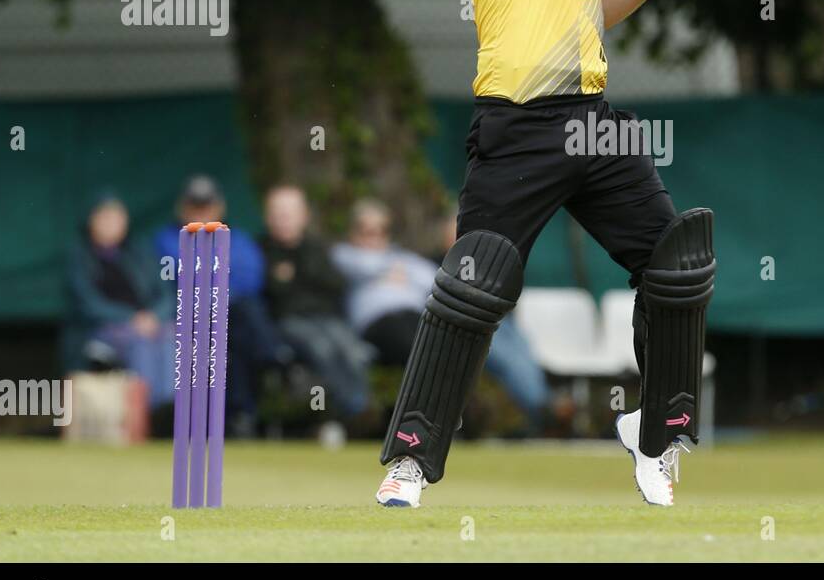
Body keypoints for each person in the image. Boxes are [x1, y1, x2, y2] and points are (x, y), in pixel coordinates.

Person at [376, 0, 755, 508]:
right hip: (517, 127)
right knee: (473, 285)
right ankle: (411, 461)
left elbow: (594, 10)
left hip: (592, 119)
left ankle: (657, 431)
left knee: (675, 259)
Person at [333, 202, 551, 435]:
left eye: (381, 230)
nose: (375, 238)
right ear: (353, 233)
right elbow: (356, 265)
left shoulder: (403, 259)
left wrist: (391, 268)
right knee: (424, 351)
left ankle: (527, 409)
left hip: (418, 316)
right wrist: (389, 268)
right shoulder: (345, 254)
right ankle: (452, 416)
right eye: (367, 231)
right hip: (380, 324)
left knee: (455, 347)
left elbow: (433, 277)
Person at [153, 175, 290, 436]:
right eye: (196, 206)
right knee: (237, 319)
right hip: (189, 316)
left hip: (231, 318)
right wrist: (217, 285)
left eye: (207, 206)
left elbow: (251, 278)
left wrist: (213, 283)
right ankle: (274, 357)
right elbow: (181, 278)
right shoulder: (168, 239)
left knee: (233, 336)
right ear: (183, 208)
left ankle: (241, 415)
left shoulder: (237, 239)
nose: (202, 213)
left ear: (219, 207)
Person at [260, 185, 374, 426]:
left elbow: (336, 284)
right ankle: (347, 413)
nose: (284, 220)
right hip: (290, 323)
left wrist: (298, 276)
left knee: (354, 352)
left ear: (304, 216)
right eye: (278, 213)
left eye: (289, 213)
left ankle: (361, 409)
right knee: (322, 349)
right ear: (268, 217)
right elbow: (274, 291)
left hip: (327, 320)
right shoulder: (261, 251)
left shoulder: (317, 249)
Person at [65, 193, 176, 407]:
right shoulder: (79, 256)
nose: (111, 224)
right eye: (104, 218)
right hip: (103, 330)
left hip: (148, 324)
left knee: (171, 335)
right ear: (91, 221)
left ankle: (171, 408)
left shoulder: (141, 252)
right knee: (140, 341)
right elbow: (88, 304)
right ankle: (146, 412)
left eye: (116, 218)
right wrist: (132, 319)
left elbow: (167, 293)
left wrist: (154, 316)